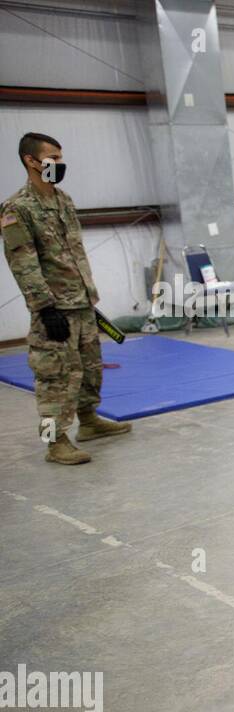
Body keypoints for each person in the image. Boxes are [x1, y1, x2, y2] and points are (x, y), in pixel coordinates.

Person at [2, 132, 131, 465]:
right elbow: (23, 264)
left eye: (60, 158)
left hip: (82, 304)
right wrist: (44, 308)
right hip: (53, 309)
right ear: (31, 161)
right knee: (52, 382)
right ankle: (53, 442)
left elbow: (73, 254)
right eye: (53, 158)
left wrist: (89, 297)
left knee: (89, 371)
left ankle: (88, 422)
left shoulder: (63, 200)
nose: (60, 164)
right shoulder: (17, 208)